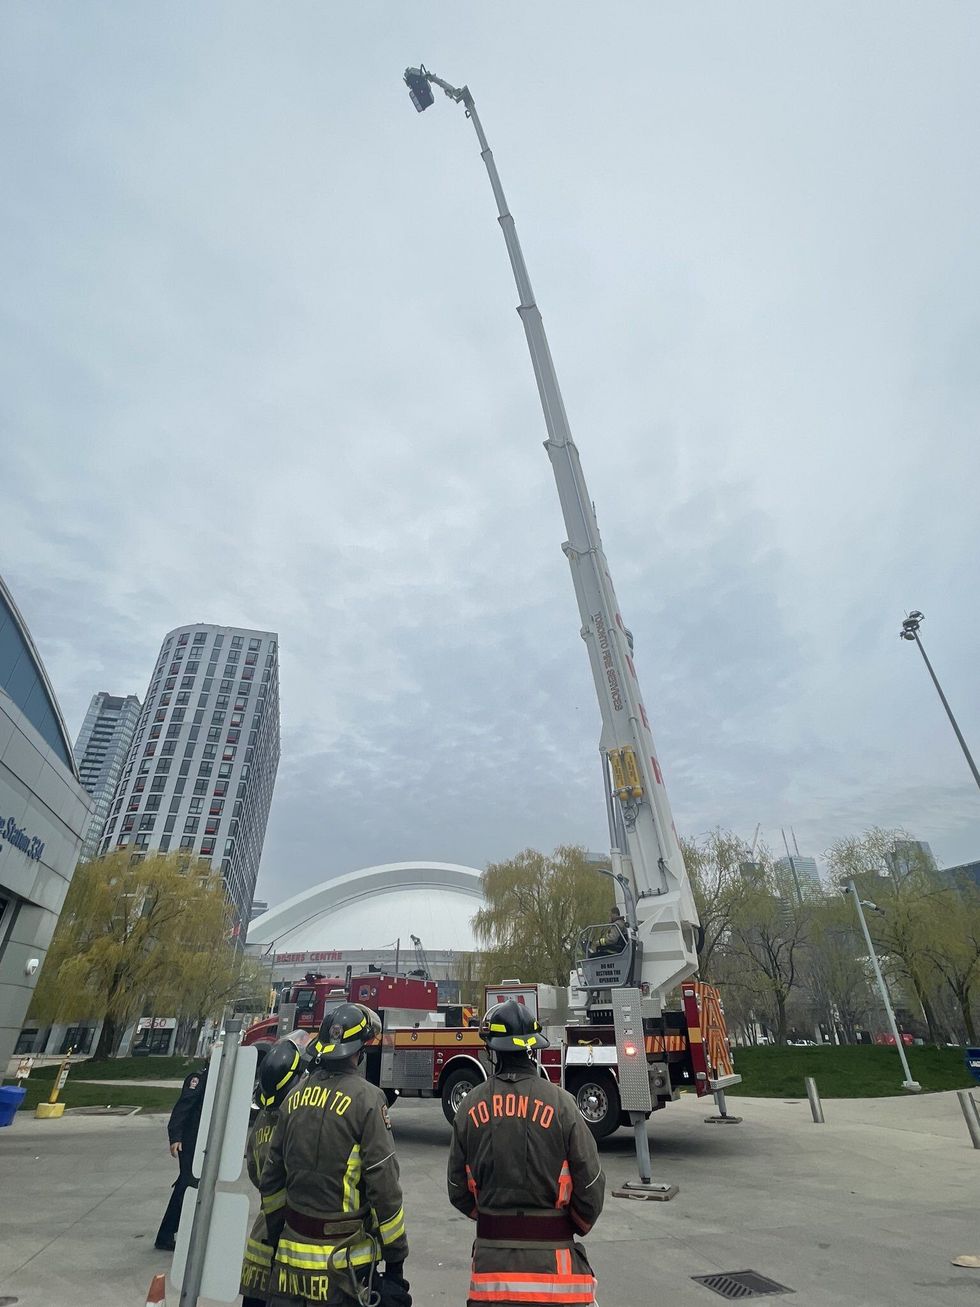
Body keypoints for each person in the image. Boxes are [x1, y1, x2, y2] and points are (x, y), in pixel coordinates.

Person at [448, 999, 605, 1306]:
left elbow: (457, 1189)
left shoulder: (468, 1107)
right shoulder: (562, 1104)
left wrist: (495, 1219)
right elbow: (591, 1184)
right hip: (557, 1277)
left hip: (491, 1278)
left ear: (493, 1051)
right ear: (532, 1048)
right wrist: (567, 1224)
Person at [259, 1002, 411, 1307]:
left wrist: (278, 1235)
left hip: (289, 1264)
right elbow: (384, 1187)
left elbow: (271, 1178)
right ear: (360, 1051)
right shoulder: (368, 1100)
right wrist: (396, 1260)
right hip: (343, 1271)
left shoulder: (294, 1097)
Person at [240, 1038, 309, 1307]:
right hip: (289, 1242)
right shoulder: (297, 1123)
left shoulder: (261, 1125)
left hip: (260, 1243)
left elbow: (256, 1174)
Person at [155, 1062, 208, 1251]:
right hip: (190, 1141)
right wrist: (175, 1137)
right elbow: (183, 1108)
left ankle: (177, 1231)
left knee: (191, 1185)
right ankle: (166, 1234)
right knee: (186, 1185)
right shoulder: (199, 1079)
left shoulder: (219, 1080)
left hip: (202, 1142)